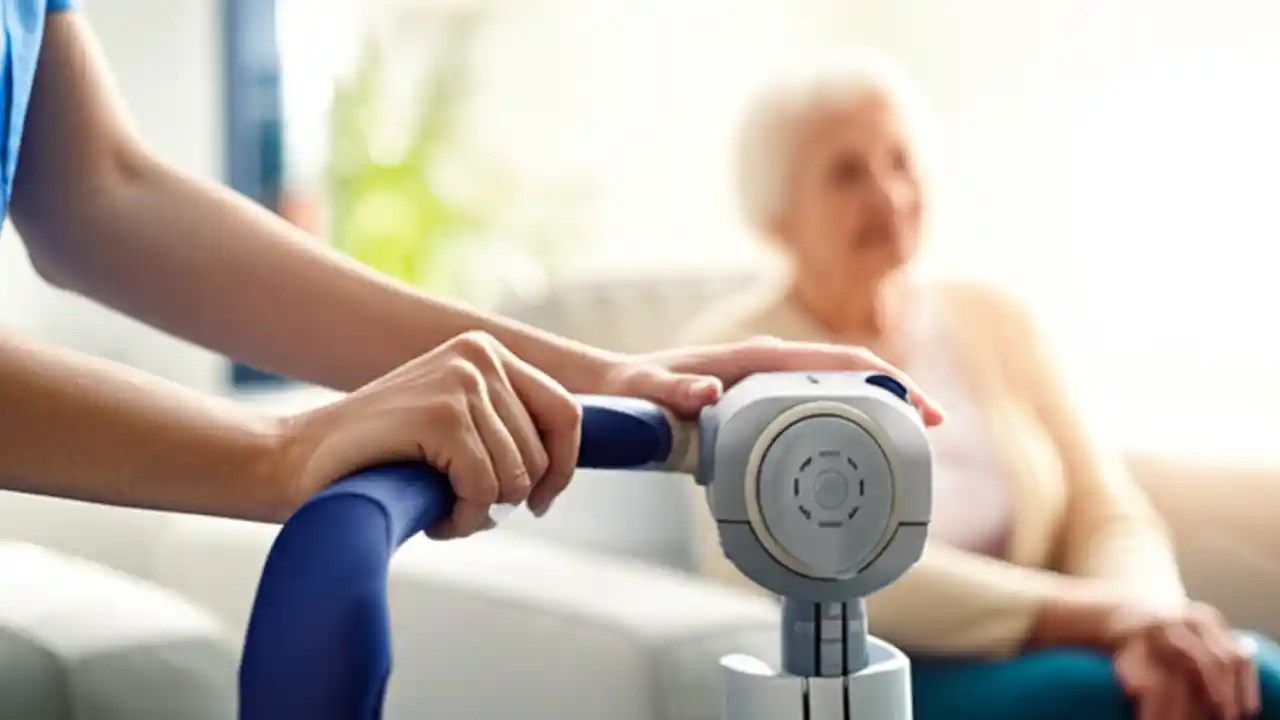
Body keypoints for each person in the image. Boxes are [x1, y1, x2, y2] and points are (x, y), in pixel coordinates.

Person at [680, 52, 1280, 720]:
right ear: (777, 213)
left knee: (1248, 678)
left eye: (899, 161)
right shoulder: (739, 354)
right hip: (891, 668)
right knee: (1102, 700)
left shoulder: (994, 316)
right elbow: (792, 562)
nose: (890, 195)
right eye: (847, 173)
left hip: (1078, 640)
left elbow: (1107, 510)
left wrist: (1159, 628)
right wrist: (1103, 619)